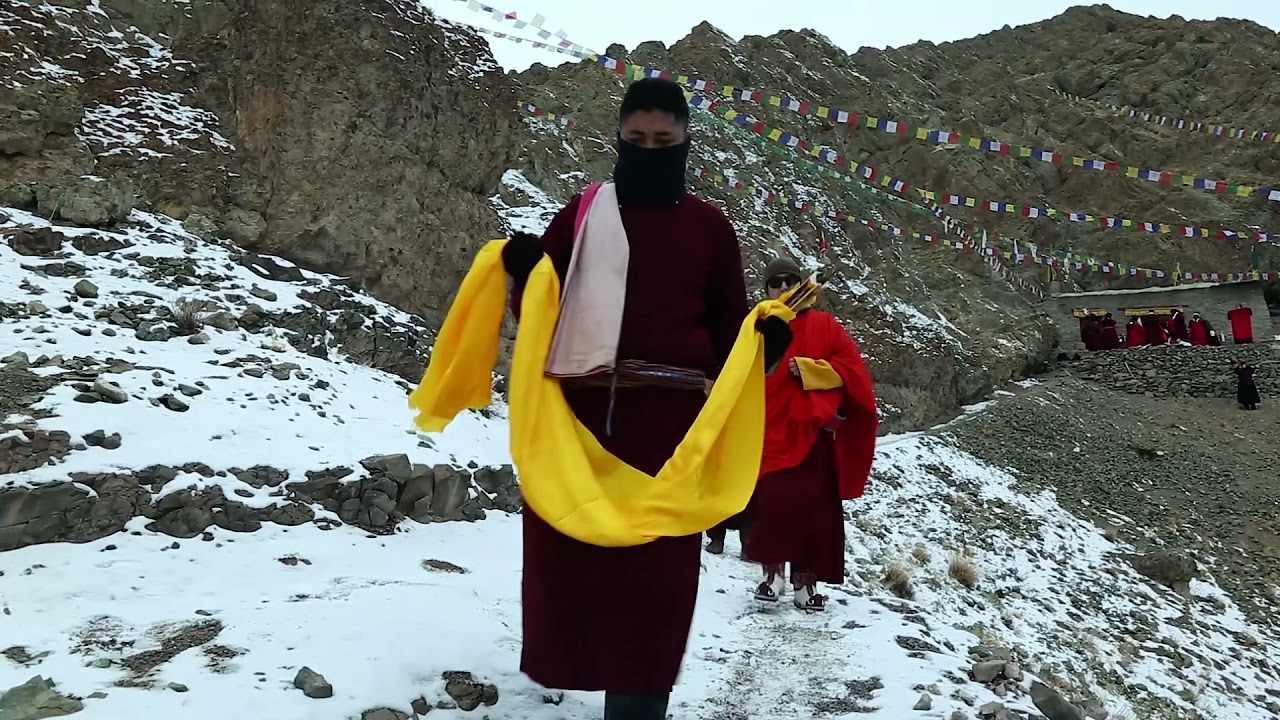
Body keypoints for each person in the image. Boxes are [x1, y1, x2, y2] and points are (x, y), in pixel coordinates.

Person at [499, 78, 793, 720]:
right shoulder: (582, 214)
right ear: (619, 139)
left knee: (653, 593)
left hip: (669, 441)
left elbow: (728, 331)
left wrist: (764, 345)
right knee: (574, 577)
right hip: (581, 429)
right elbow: (541, 309)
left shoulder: (710, 229)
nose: (650, 148)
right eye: (637, 139)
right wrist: (525, 272)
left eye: (664, 139)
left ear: (686, 141)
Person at [745, 258, 878, 611]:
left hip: (813, 433)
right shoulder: (758, 324)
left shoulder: (825, 324)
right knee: (773, 507)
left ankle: (806, 584)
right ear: (767, 290)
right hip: (770, 429)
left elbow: (853, 371)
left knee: (813, 513)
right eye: (777, 282)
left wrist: (811, 371)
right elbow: (739, 371)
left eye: (791, 280)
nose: (785, 287)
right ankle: (771, 578)